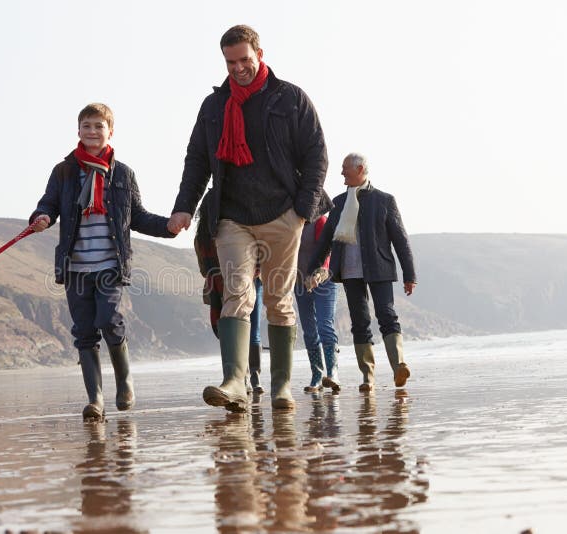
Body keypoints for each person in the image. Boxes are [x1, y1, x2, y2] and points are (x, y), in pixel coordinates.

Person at [168, 25, 328, 411]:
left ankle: (281, 388)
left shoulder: (290, 98)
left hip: (282, 214)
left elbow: (316, 155)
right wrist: (184, 206)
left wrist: (301, 213)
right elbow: (197, 160)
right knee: (236, 293)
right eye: (230, 61)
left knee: (278, 298)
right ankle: (235, 382)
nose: (238, 68)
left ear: (260, 53)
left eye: (244, 60)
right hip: (231, 217)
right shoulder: (214, 107)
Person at [29, 103, 174, 420]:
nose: (92, 131)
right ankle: (95, 400)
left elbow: (138, 217)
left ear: (110, 131)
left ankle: (125, 382)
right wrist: (41, 217)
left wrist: (169, 227)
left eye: (98, 126)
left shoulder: (123, 173)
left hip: (110, 264)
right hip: (75, 267)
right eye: (86, 126)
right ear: (78, 130)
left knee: (109, 319)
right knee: (84, 332)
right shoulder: (64, 172)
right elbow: (48, 204)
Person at [305, 153, 416, 392]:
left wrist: (410, 275)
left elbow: (401, 240)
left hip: (379, 268)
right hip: (349, 271)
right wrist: (312, 270)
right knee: (360, 322)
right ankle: (368, 376)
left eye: (346, 169)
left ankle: (399, 367)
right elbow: (325, 241)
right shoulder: (337, 204)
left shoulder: (384, 200)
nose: (342, 173)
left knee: (387, 314)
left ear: (361, 169)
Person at [194, 195, 265, 394]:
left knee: (228, 329)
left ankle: (238, 377)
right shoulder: (241, 227)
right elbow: (258, 258)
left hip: (217, 286)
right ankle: (254, 378)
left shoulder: (202, 238)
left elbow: (203, 268)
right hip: (249, 280)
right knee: (253, 329)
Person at [294, 209, 341, 393]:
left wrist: (318, 274)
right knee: (309, 331)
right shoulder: (291, 224)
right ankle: (317, 375)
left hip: (324, 282)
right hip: (299, 283)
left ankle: (332, 373)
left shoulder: (320, 220)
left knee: (325, 326)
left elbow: (327, 251)